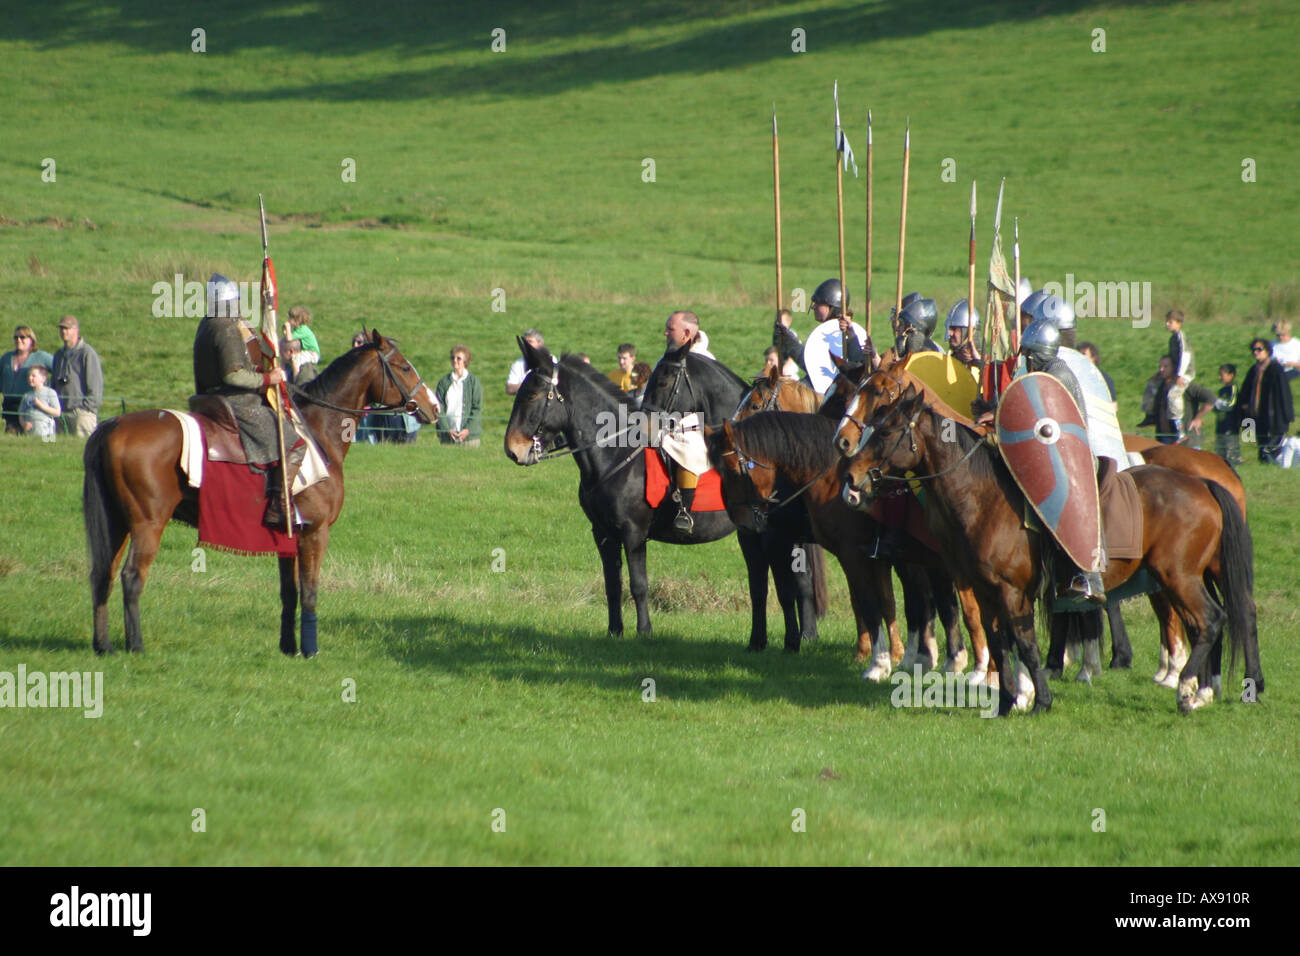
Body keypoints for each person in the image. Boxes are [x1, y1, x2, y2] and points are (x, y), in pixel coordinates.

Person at [193, 274, 297, 527]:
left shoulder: (207, 323)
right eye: (236, 300)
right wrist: (267, 379)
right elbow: (233, 374)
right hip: (234, 402)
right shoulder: (226, 327)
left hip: (209, 398)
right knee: (292, 441)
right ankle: (278, 505)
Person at [1018, 319, 1105, 603]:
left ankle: (1089, 576)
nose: (1026, 360)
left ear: (1037, 353)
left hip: (1072, 455)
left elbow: (1043, 418)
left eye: (1028, 354)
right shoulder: (1044, 372)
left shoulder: (1057, 375)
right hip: (1052, 452)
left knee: (1067, 501)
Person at [773, 280, 873, 375]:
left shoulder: (849, 334)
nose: (814, 307)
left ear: (832, 306)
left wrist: (788, 341)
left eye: (818, 303)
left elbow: (811, 364)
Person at [1234, 337, 1295, 463]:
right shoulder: (1254, 370)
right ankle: (1263, 462)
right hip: (1255, 414)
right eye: (1253, 350)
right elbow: (1246, 391)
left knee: (1272, 445)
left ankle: (1276, 464)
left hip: (1272, 414)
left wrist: (1287, 415)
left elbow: (1284, 393)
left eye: (1259, 349)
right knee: (1257, 442)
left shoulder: (1275, 369)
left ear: (1267, 351)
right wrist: (1243, 408)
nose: (1255, 352)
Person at [50, 315, 104, 438]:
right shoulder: (58, 355)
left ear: (76, 330)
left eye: (67, 328)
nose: (64, 332)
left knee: (82, 451)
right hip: (61, 414)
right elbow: (53, 384)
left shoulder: (87, 353)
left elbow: (95, 387)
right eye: (61, 329)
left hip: (82, 414)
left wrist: (83, 410)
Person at [2, 325, 54, 435]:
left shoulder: (41, 357)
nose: (18, 340)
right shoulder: (7, 358)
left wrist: (48, 390)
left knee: (30, 436)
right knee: (11, 436)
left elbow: (58, 370)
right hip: (9, 405)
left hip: (30, 404)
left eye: (22, 337)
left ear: (31, 340)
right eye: (15, 338)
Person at [1185, 364, 1241, 465]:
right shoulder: (1221, 390)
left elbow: (1231, 404)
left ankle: (1233, 464)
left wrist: (1215, 402)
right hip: (1221, 424)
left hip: (1231, 425)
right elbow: (1215, 407)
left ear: (1231, 375)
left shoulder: (1233, 388)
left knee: (1230, 449)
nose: (1219, 377)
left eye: (1222, 375)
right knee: (1220, 449)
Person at [434, 345, 482, 447]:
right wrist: (447, 429)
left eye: (458, 358)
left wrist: (467, 430)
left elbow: (476, 408)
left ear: (465, 361)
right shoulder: (444, 382)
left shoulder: (474, 382)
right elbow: (439, 408)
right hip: (448, 437)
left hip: (469, 438)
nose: (455, 360)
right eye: (453, 358)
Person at [1138, 355, 1180, 444]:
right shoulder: (1159, 386)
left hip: (1181, 437)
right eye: (1160, 367)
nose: (1161, 369)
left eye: (1165, 366)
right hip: (1163, 436)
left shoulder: (1182, 387)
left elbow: (1209, 398)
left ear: (1174, 368)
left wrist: (1197, 418)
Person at [17, 364, 61, 440]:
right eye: (29, 376)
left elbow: (57, 412)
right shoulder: (27, 395)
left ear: (43, 378)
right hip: (30, 432)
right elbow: (21, 414)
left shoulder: (50, 392)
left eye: (33, 376)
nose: (30, 378)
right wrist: (24, 424)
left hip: (46, 433)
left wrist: (41, 406)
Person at [282, 305, 320, 385]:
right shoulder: (298, 329)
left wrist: (288, 328)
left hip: (312, 353)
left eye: (290, 318)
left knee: (295, 359)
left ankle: (296, 379)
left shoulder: (303, 329)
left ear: (297, 320)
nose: (288, 320)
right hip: (308, 352)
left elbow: (289, 339)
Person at [946, 300, 982, 369]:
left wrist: (977, 362)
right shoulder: (947, 360)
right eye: (949, 328)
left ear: (968, 331)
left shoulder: (987, 363)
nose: (949, 333)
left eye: (954, 329)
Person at [507, 330, 544, 395]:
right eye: (525, 342)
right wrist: (530, 384)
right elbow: (510, 389)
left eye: (530, 341)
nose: (526, 344)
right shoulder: (518, 364)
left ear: (540, 344)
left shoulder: (551, 360)